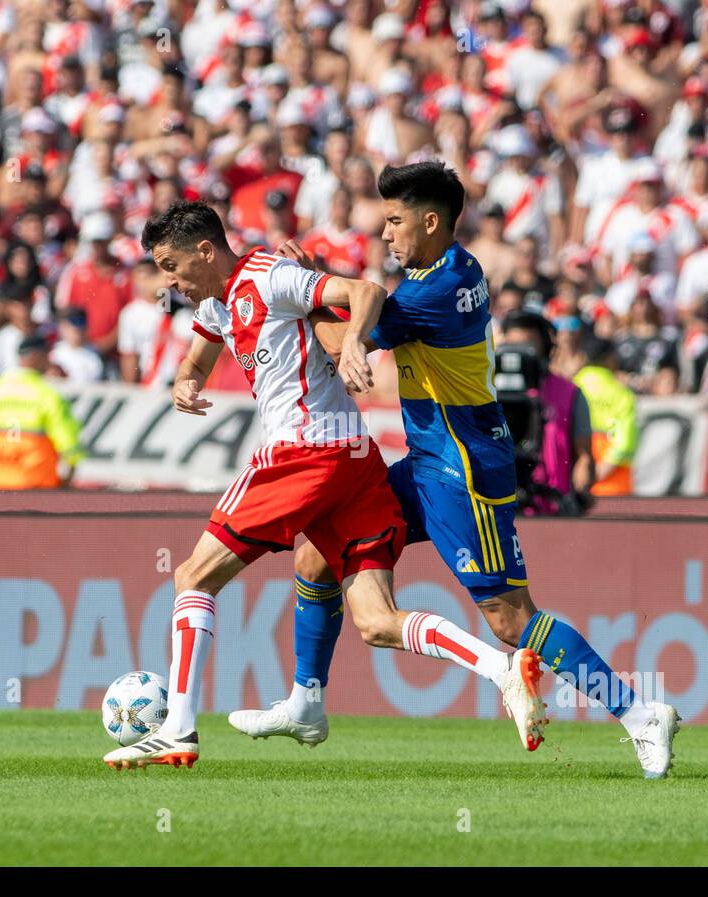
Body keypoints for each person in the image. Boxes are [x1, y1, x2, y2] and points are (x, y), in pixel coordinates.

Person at [231, 162, 679, 779]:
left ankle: (639, 713)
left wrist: (303, 294)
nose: (385, 233)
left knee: (511, 619)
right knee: (317, 554)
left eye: (394, 220)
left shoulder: (430, 293)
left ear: (430, 220)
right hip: (426, 462)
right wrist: (318, 290)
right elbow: (355, 322)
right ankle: (307, 702)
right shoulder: (450, 268)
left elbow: (337, 344)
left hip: (464, 470)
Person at [102, 199, 547, 770]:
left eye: (170, 264)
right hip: (355, 461)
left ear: (205, 250)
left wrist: (356, 341)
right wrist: (184, 386)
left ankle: (177, 729)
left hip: (305, 450)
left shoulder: (270, 275)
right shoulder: (216, 304)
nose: (167, 280)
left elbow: (364, 292)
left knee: (192, 575)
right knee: (377, 621)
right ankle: (502, 669)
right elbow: (194, 364)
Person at [501, 308, 596, 516]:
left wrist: (578, 496)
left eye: (529, 345)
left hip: (552, 512)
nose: (520, 352)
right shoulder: (484, 392)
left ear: (546, 347)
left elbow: (584, 457)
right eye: (513, 345)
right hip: (498, 513)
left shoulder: (570, 393)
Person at [0, 333, 83, 490]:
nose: (49, 361)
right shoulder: (49, 396)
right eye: (47, 355)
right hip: (37, 492)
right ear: (37, 356)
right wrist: (64, 484)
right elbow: (71, 450)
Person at [575, 334, 639, 497]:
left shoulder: (571, 387)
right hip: (613, 483)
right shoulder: (622, 393)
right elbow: (625, 443)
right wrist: (599, 471)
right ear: (611, 358)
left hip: (575, 476)